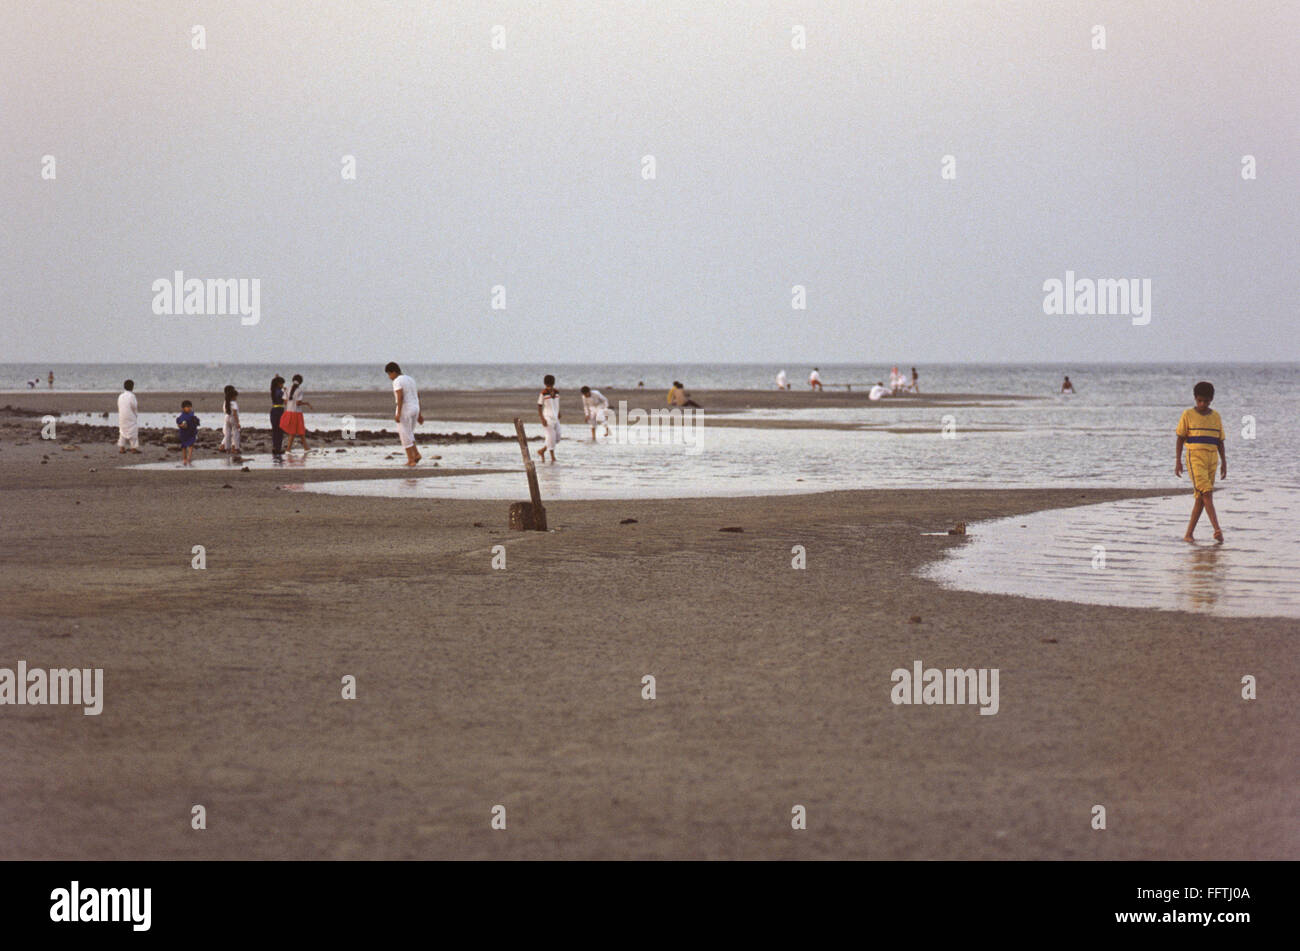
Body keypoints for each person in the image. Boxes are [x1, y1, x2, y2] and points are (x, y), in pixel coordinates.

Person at [1175, 381, 1227, 543]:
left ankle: (1188, 534)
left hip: (1212, 459)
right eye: (1199, 401)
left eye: (1205, 401)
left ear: (1211, 399)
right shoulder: (1188, 415)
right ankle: (1217, 529)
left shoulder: (1216, 416)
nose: (1202, 404)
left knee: (1201, 497)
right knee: (1207, 493)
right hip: (1194, 458)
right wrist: (1178, 461)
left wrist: (1224, 463)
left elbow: (1220, 441)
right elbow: (1180, 438)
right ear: (1195, 399)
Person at [386, 362, 424, 466]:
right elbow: (417, 395)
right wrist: (419, 414)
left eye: (389, 374)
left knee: (404, 434)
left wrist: (398, 412)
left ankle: (411, 460)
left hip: (406, 409)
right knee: (409, 433)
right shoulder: (410, 379)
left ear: (394, 372)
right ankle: (416, 454)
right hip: (415, 407)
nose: (389, 377)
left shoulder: (397, 381)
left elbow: (400, 396)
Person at [279, 374, 313, 452]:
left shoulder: (287, 389)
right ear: (300, 382)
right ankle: (289, 449)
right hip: (296, 413)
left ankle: (305, 448)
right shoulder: (299, 390)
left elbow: (285, 401)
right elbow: (298, 403)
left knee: (298, 432)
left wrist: (290, 403)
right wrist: (307, 404)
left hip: (289, 412)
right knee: (297, 431)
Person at [537, 374, 560, 462]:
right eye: (548, 385)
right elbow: (539, 406)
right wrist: (542, 418)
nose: (550, 387)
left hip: (555, 417)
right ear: (545, 384)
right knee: (551, 436)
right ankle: (552, 457)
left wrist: (559, 412)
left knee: (557, 437)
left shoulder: (557, 392)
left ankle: (542, 450)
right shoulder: (543, 393)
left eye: (551, 385)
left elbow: (556, 403)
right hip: (547, 417)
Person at [116, 380, 140, 453]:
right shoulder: (132, 396)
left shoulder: (121, 396)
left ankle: (122, 447)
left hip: (122, 416)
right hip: (130, 415)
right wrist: (135, 414)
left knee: (122, 431)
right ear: (132, 387)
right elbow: (134, 406)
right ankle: (133, 448)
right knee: (133, 431)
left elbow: (118, 405)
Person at [176, 400, 200, 465]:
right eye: (187, 407)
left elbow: (196, 420)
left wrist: (197, 422)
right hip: (184, 433)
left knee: (191, 444)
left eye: (190, 407)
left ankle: (189, 458)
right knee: (184, 446)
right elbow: (179, 423)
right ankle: (184, 458)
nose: (189, 408)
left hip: (192, 432)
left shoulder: (192, 414)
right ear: (183, 408)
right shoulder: (182, 416)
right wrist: (181, 425)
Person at [220, 385, 241, 455]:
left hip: (227, 417)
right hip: (232, 418)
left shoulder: (226, 402)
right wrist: (238, 422)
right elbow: (235, 413)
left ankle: (227, 448)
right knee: (236, 433)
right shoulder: (233, 403)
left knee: (228, 433)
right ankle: (236, 448)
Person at [269, 375, 286, 456]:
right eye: (282, 384)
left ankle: (275, 447)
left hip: (273, 410)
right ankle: (278, 448)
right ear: (279, 384)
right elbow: (285, 399)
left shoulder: (273, 390)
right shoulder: (280, 392)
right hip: (279, 411)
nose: (283, 385)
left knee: (275, 430)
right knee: (280, 430)